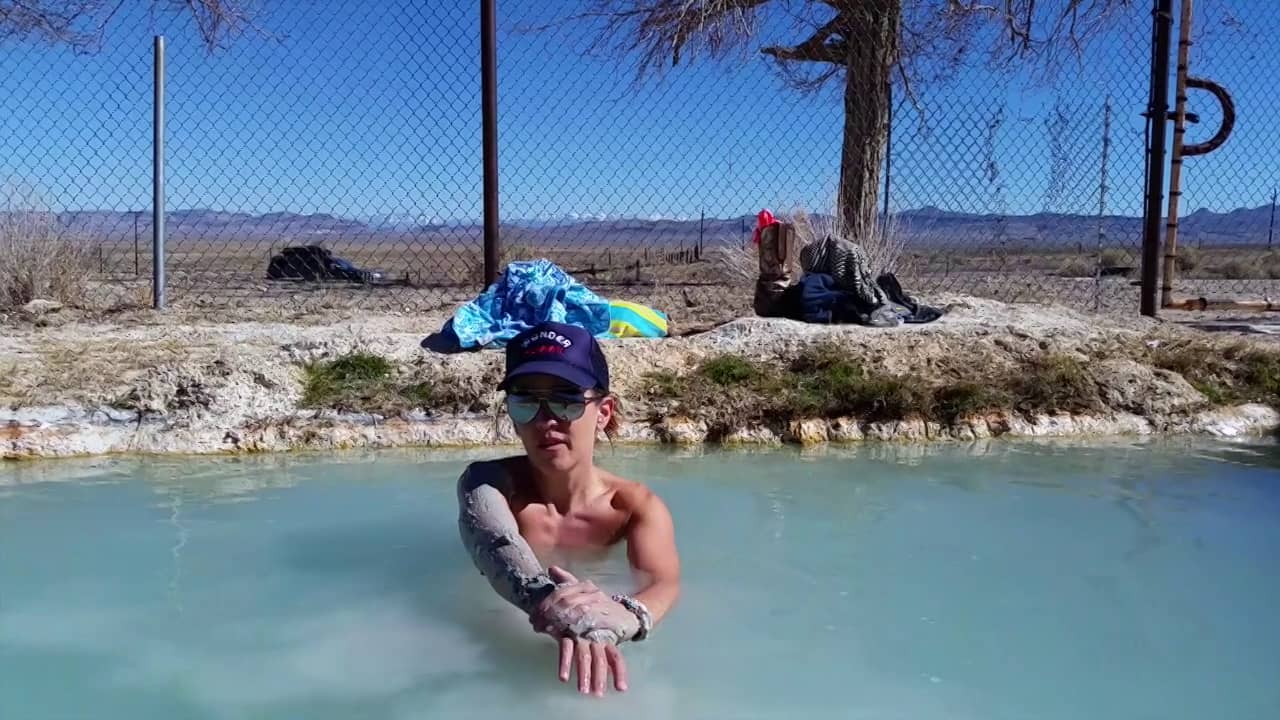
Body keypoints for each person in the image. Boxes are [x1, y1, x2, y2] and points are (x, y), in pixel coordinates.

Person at [456, 321, 681, 698]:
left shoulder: (633, 508)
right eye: (526, 401)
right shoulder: (488, 485)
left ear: (604, 411)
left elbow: (663, 584)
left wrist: (622, 618)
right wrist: (554, 607)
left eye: (567, 400)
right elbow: (494, 543)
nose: (546, 421)